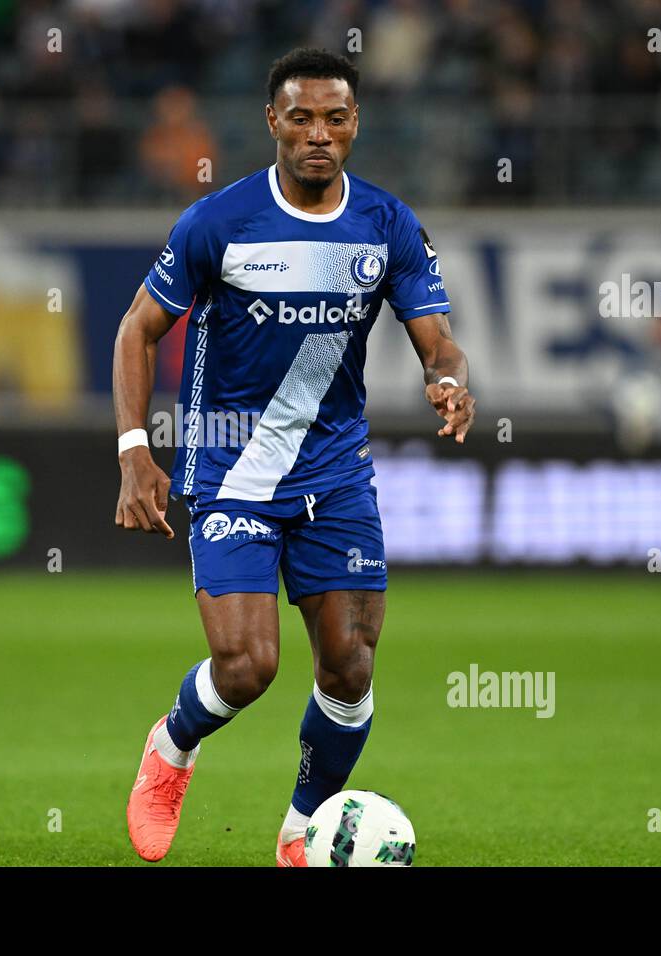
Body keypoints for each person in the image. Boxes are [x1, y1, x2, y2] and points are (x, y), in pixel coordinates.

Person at [112, 48, 475, 865]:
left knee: (348, 667)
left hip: (335, 473)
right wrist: (137, 450)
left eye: (335, 118)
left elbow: (439, 341)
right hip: (232, 467)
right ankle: (171, 748)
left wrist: (448, 381)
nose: (319, 133)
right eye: (302, 117)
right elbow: (137, 329)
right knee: (247, 666)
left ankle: (302, 829)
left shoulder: (387, 224)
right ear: (273, 122)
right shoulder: (220, 222)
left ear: (355, 125)